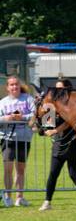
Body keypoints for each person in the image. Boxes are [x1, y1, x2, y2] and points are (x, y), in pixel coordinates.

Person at [38, 76, 76, 210]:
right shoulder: (52, 106)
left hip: (73, 143)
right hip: (59, 145)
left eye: (60, 88)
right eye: (56, 88)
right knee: (53, 174)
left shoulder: (72, 105)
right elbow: (46, 125)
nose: (57, 91)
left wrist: (55, 130)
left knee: (73, 174)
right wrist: (42, 127)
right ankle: (47, 202)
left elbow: (69, 121)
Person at [0, 76, 36, 206]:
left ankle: (19, 197)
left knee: (21, 169)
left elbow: (35, 115)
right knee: (8, 169)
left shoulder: (28, 99)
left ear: (20, 86)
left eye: (16, 84)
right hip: (7, 139)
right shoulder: (3, 102)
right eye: (12, 85)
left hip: (24, 138)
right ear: (7, 87)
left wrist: (22, 117)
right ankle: (8, 197)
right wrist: (7, 118)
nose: (14, 87)